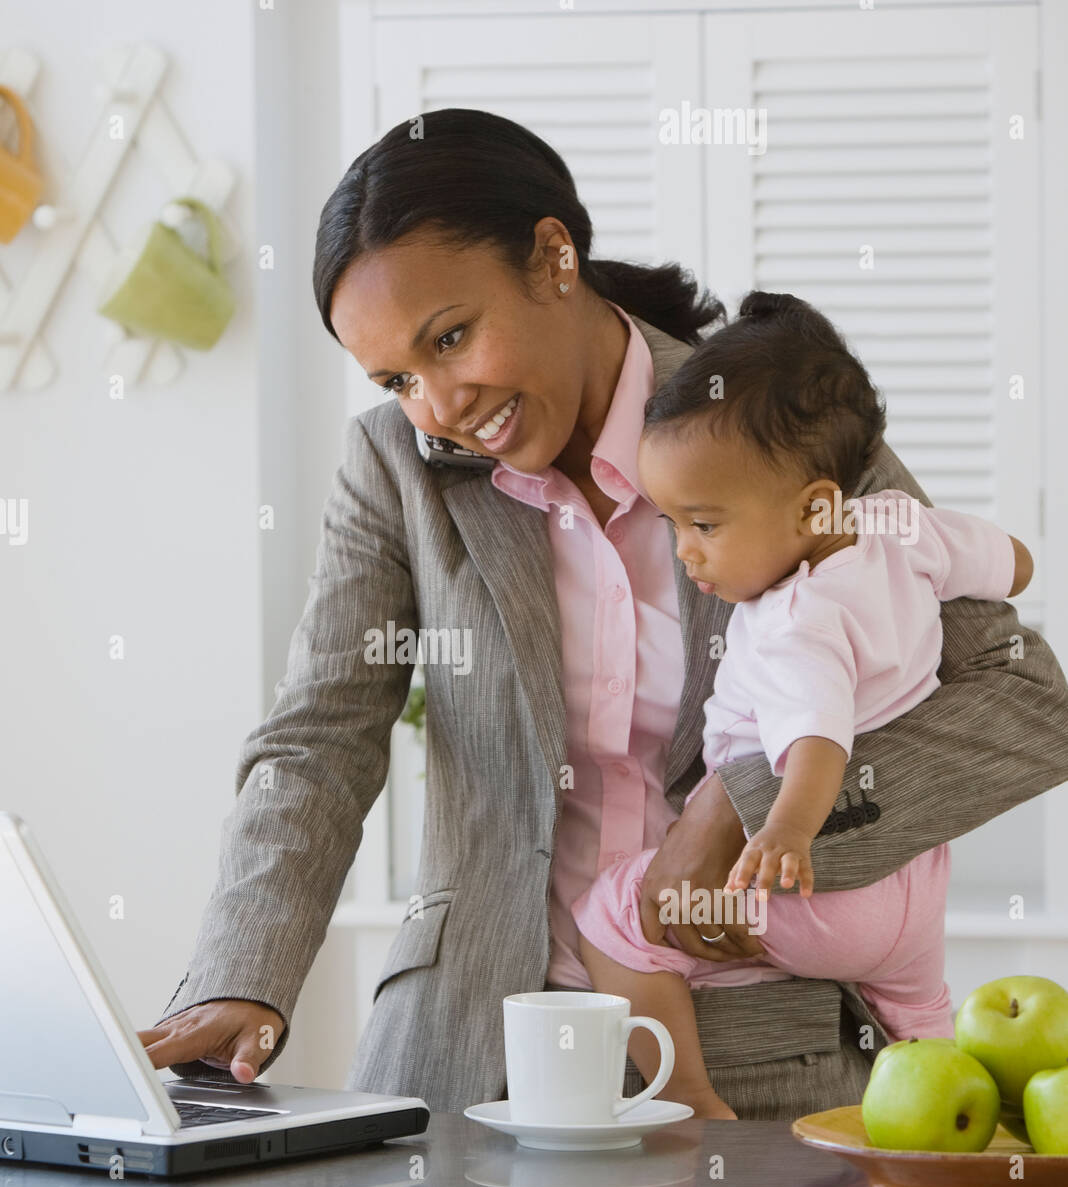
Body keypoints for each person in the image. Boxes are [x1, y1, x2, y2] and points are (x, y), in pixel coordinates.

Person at [138, 109, 1068, 1118]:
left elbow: (1025, 704)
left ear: (552, 257)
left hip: (762, 1058)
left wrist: (738, 803)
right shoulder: (394, 466)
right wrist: (242, 972)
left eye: (450, 338)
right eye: (398, 377)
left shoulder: (764, 419)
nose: (438, 405)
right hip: (469, 1059)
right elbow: (319, 736)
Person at [571, 291, 1035, 1120]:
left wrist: (783, 831)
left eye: (705, 524)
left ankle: (684, 1097)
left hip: (814, 890)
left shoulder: (790, 624)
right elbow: (1014, 565)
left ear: (814, 505)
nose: (685, 550)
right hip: (914, 882)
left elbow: (816, 738)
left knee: (610, 913)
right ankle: (980, 1120)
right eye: (674, 521)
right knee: (923, 1027)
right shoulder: (900, 527)